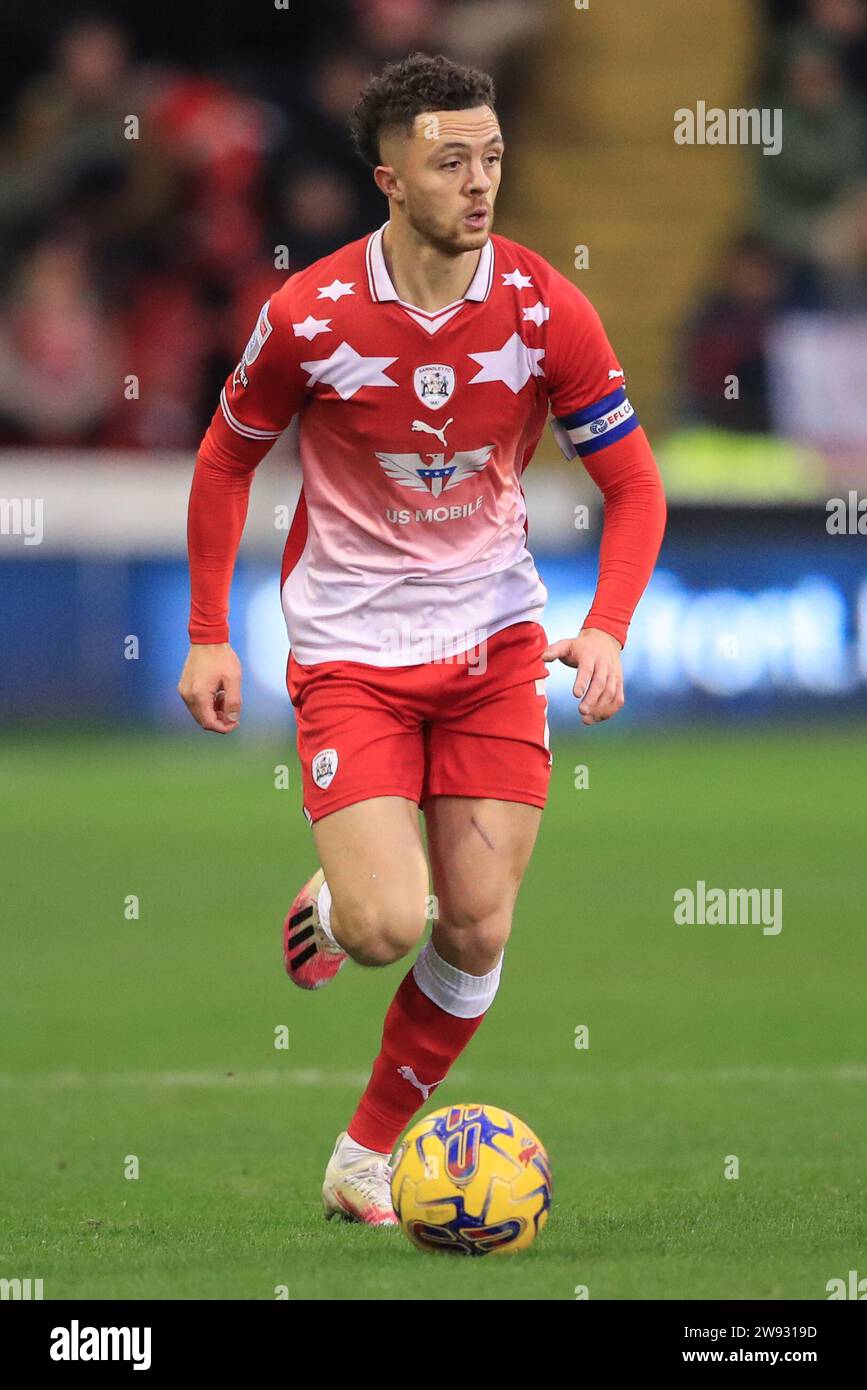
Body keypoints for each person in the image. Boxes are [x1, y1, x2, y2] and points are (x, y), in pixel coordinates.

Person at [178, 51, 666, 1226]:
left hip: (496, 642)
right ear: (391, 177)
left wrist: (604, 628)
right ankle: (351, 899)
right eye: (453, 161)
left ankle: (362, 1157)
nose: (481, 181)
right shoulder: (312, 317)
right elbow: (225, 456)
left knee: (478, 921)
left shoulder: (546, 307)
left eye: (492, 157)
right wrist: (207, 635)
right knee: (393, 925)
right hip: (353, 652)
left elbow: (637, 486)